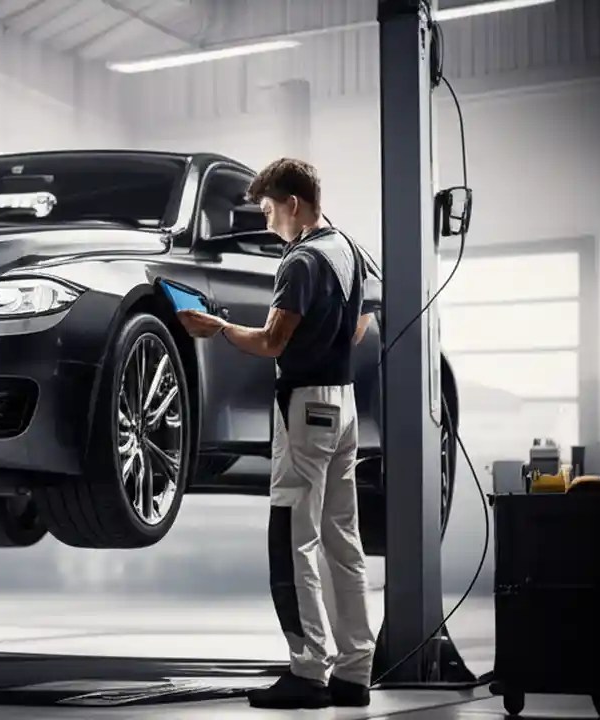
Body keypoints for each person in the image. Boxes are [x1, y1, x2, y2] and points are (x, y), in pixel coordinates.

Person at [178, 158, 378, 710]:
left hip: (305, 409)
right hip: (344, 408)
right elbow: (362, 324)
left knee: (293, 543)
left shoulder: (301, 262)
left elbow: (270, 343)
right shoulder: (348, 250)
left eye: (268, 210)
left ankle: (309, 672)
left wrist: (216, 327)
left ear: (292, 203)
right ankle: (355, 673)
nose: (267, 223)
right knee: (344, 543)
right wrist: (326, 336)